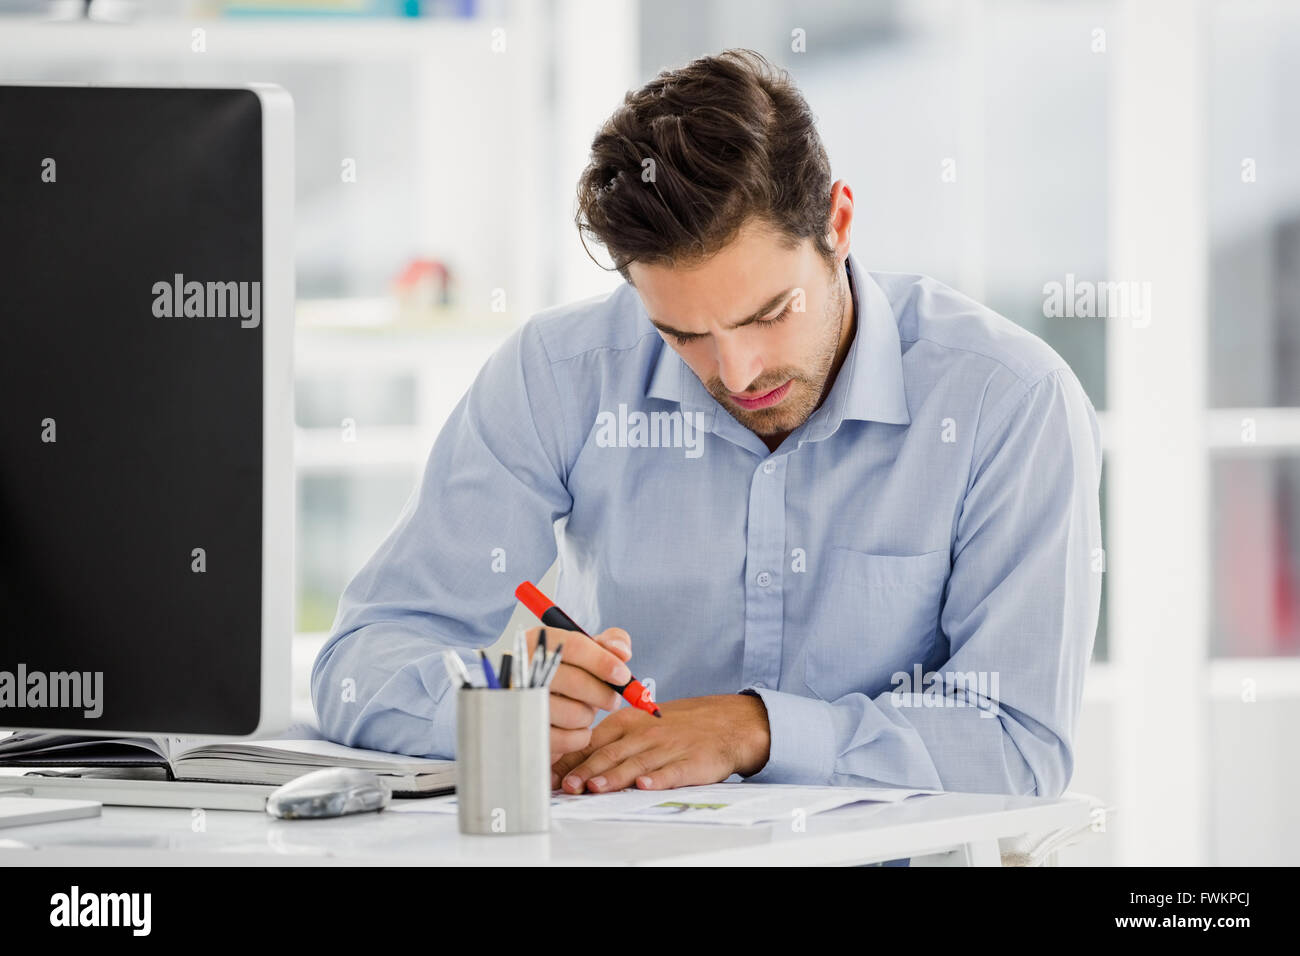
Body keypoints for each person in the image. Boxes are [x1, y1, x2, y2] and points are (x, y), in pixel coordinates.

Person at [311, 49, 1102, 803]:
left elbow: (1019, 743)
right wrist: (494, 702)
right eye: (682, 335)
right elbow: (359, 662)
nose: (738, 373)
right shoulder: (558, 374)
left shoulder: (1007, 401)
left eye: (769, 313)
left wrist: (758, 729)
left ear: (838, 224)